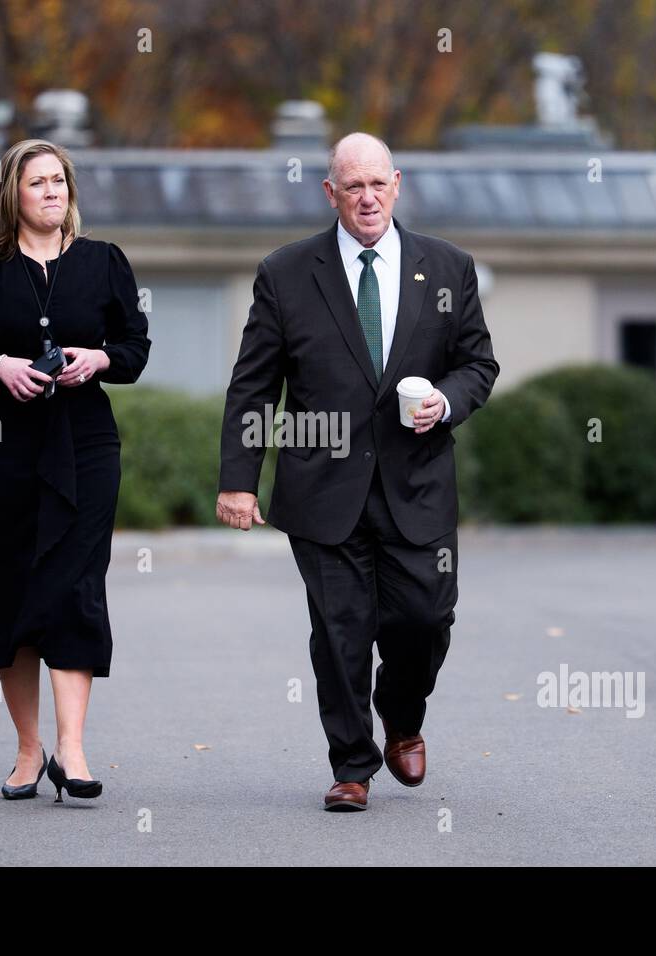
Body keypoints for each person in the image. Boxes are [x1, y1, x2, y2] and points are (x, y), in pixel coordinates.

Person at [216, 132, 499, 811]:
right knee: (341, 628)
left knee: (426, 617)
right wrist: (238, 479)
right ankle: (351, 765)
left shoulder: (448, 267)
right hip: (322, 488)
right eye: (353, 187)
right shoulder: (286, 273)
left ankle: (402, 716)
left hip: (418, 485)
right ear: (330, 193)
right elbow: (254, 385)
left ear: (396, 185)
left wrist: (447, 400)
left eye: (377, 184)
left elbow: (478, 364)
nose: (367, 198)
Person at [0, 138, 150, 802]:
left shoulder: (104, 262)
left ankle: (72, 752)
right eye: (37, 182)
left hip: (83, 445)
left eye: (59, 181)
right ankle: (28, 750)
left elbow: (135, 350)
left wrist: (98, 360)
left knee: (76, 585)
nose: (52, 192)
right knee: (7, 590)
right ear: (12, 196)